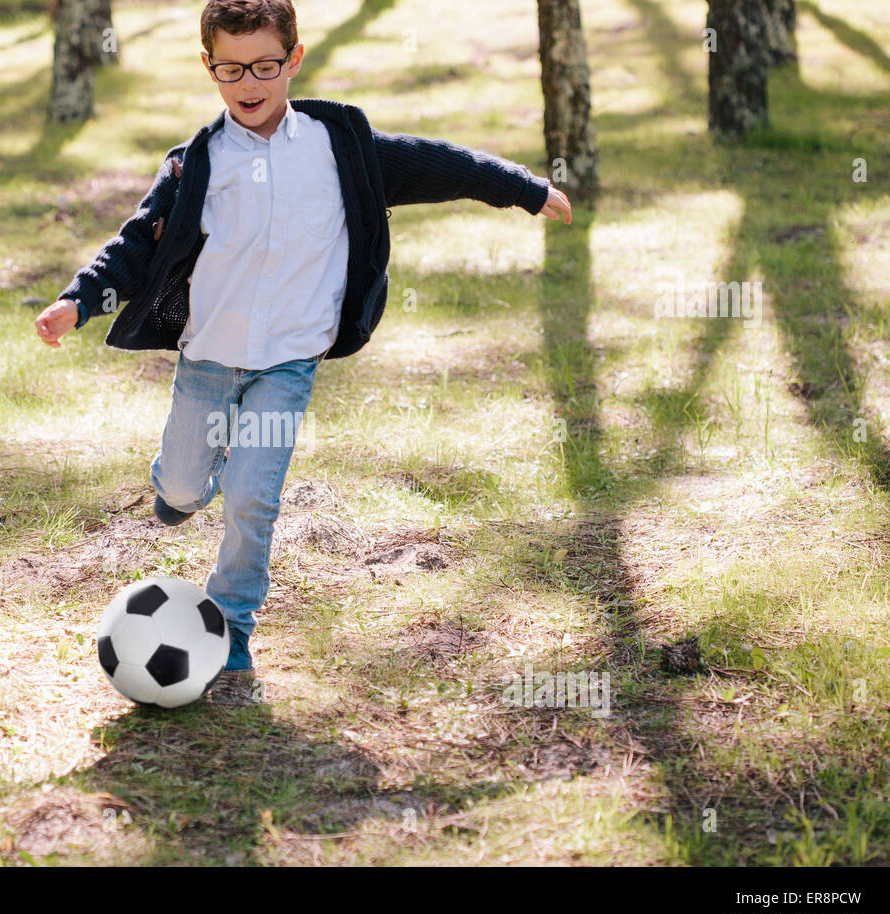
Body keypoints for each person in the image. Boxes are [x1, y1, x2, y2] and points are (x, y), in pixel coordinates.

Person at [35, 0, 573, 706]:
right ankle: (175, 487)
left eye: (264, 66)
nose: (248, 83)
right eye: (230, 69)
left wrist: (526, 190)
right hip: (210, 355)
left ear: (294, 59)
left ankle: (231, 628)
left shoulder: (339, 147)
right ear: (208, 67)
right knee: (188, 485)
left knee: (253, 496)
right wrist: (79, 300)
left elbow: (443, 166)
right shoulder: (198, 162)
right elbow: (135, 245)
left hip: (288, 362)